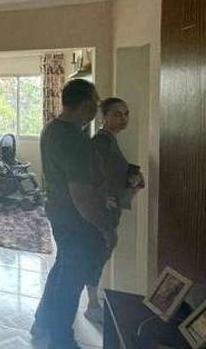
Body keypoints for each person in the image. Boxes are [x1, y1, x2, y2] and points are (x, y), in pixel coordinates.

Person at [32, 79, 115, 349]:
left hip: (58, 211)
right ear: (87, 104)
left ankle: (41, 321)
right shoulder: (74, 139)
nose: (97, 108)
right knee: (70, 283)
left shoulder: (52, 128)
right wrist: (104, 225)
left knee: (61, 271)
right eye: (96, 102)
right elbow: (80, 194)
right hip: (75, 219)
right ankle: (61, 341)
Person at [83, 97, 145, 323]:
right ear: (104, 116)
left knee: (100, 253)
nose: (123, 118)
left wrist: (132, 178)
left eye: (126, 113)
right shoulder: (102, 142)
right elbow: (92, 174)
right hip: (102, 213)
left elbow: (112, 172)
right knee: (97, 255)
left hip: (111, 209)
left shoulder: (110, 140)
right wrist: (103, 198)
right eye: (117, 114)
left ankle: (93, 303)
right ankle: (92, 304)